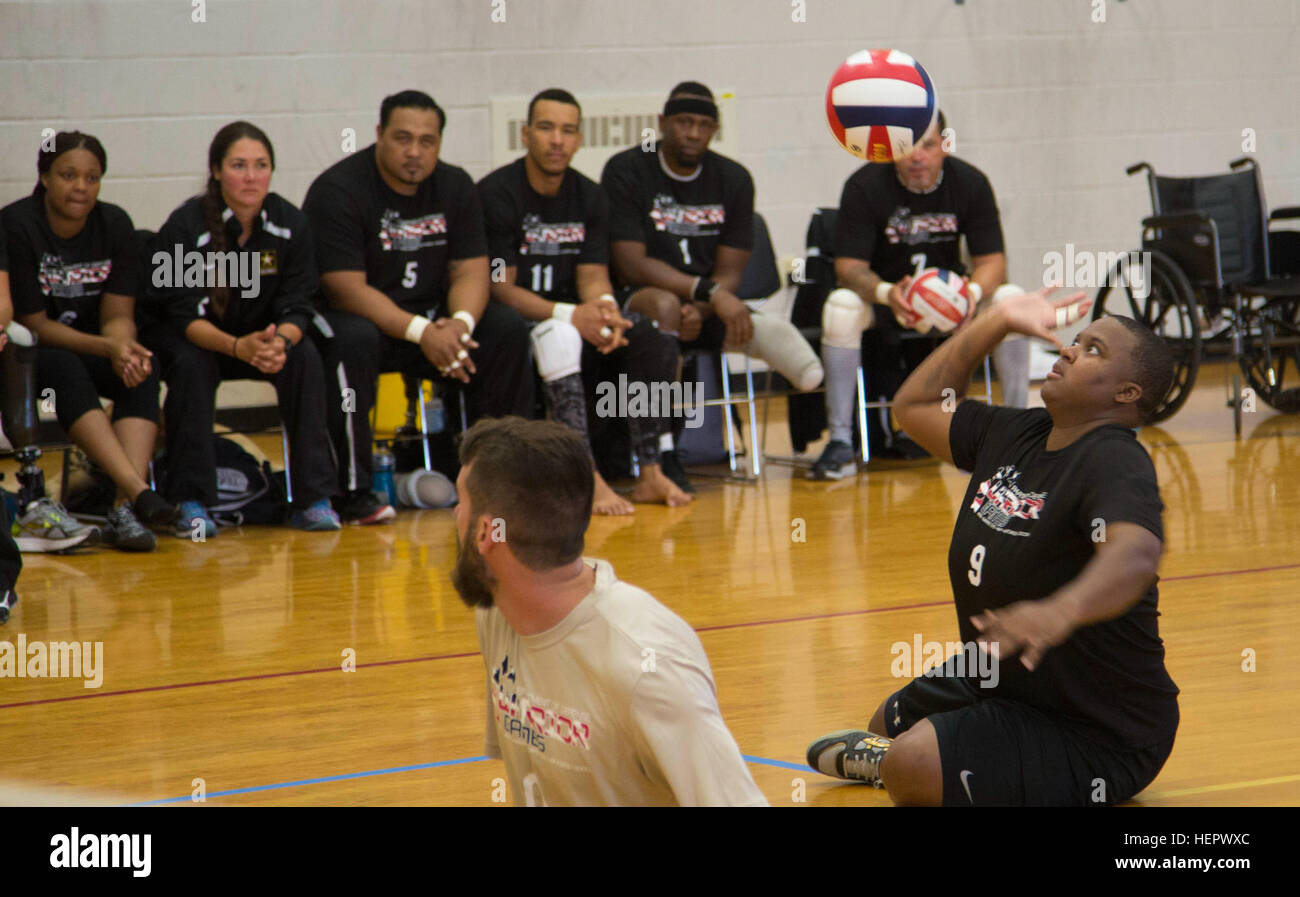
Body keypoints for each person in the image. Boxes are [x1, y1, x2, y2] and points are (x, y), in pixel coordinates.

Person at [806, 290, 1181, 807]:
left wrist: (1058, 613)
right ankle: (912, 756)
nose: (1070, 351)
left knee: (911, 763)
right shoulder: (1017, 432)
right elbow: (912, 407)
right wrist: (996, 321)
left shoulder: (1115, 460)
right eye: (1074, 340)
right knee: (885, 725)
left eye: (1094, 350)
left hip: (1100, 730)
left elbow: (1136, 555)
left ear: (1127, 392)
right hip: (1003, 677)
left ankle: (909, 764)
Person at [453, 416, 766, 806]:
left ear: (486, 533)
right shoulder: (499, 614)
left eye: (460, 502)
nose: (454, 516)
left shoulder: (647, 669)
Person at [303, 90, 534, 508]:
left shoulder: (455, 186)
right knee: (353, 338)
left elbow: (471, 270)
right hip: (364, 322)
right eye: (402, 138)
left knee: (505, 329)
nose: (414, 152)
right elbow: (345, 287)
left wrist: (460, 324)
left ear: (440, 144)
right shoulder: (337, 190)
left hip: (434, 325)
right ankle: (351, 491)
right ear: (379, 134)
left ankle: (496, 480)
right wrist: (422, 331)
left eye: (427, 142)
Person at [602, 81, 823, 492]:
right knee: (665, 306)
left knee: (797, 361)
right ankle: (664, 452)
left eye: (704, 124)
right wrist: (709, 295)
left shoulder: (733, 179)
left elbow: (731, 272)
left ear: (714, 130)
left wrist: (703, 307)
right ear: (663, 123)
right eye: (684, 122)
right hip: (638, 301)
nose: (693, 133)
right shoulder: (627, 169)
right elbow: (630, 264)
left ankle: (835, 431)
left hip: (702, 308)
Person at [477, 88, 689, 512]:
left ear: (578, 139)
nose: (557, 140)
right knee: (560, 335)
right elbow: (499, 286)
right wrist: (573, 315)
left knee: (646, 335)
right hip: (518, 319)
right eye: (546, 128)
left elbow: (593, 275)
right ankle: (586, 478)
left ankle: (651, 470)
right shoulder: (497, 193)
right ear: (526, 134)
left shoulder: (590, 196)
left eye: (568, 130)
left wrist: (606, 312)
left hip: (574, 313)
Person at [143, 121, 343, 534]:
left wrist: (279, 342)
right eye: (239, 165)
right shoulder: (185, 226)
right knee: (192, 366)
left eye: (261, 165)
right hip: (200, 339)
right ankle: (191, 499)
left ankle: (313, 499)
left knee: (303, 356)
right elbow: (183, 316)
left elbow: (299, 303)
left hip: (261, 339)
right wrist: (237, 347)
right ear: (216, 171)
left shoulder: (291, 223)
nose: (251, 176)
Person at [809, 111, 1031, 479]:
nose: (916, 156)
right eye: (905, 147)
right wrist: (885, 293)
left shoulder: (970, 183)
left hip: (957, 301)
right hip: (887, 299)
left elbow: (993, 262)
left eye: (927, 145)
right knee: (840, 308)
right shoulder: (864, 186)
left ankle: (1020, 435)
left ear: (944, 144)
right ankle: (841, 443)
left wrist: (969, 294)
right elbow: (848, 269)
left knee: (1012, 298)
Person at [2, 131, 171, 551]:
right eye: (68, 175)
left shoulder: (115, 224)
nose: (80, 187)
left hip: (96, 346)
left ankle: (123, 511)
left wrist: (125, 349)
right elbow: (34, 323)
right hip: (32, 356)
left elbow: (117, 315)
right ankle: (137, 489)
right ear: (44, 177)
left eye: (92, 177)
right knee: (64, 365)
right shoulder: (17, 225)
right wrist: (106, 347)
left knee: (143, 371)